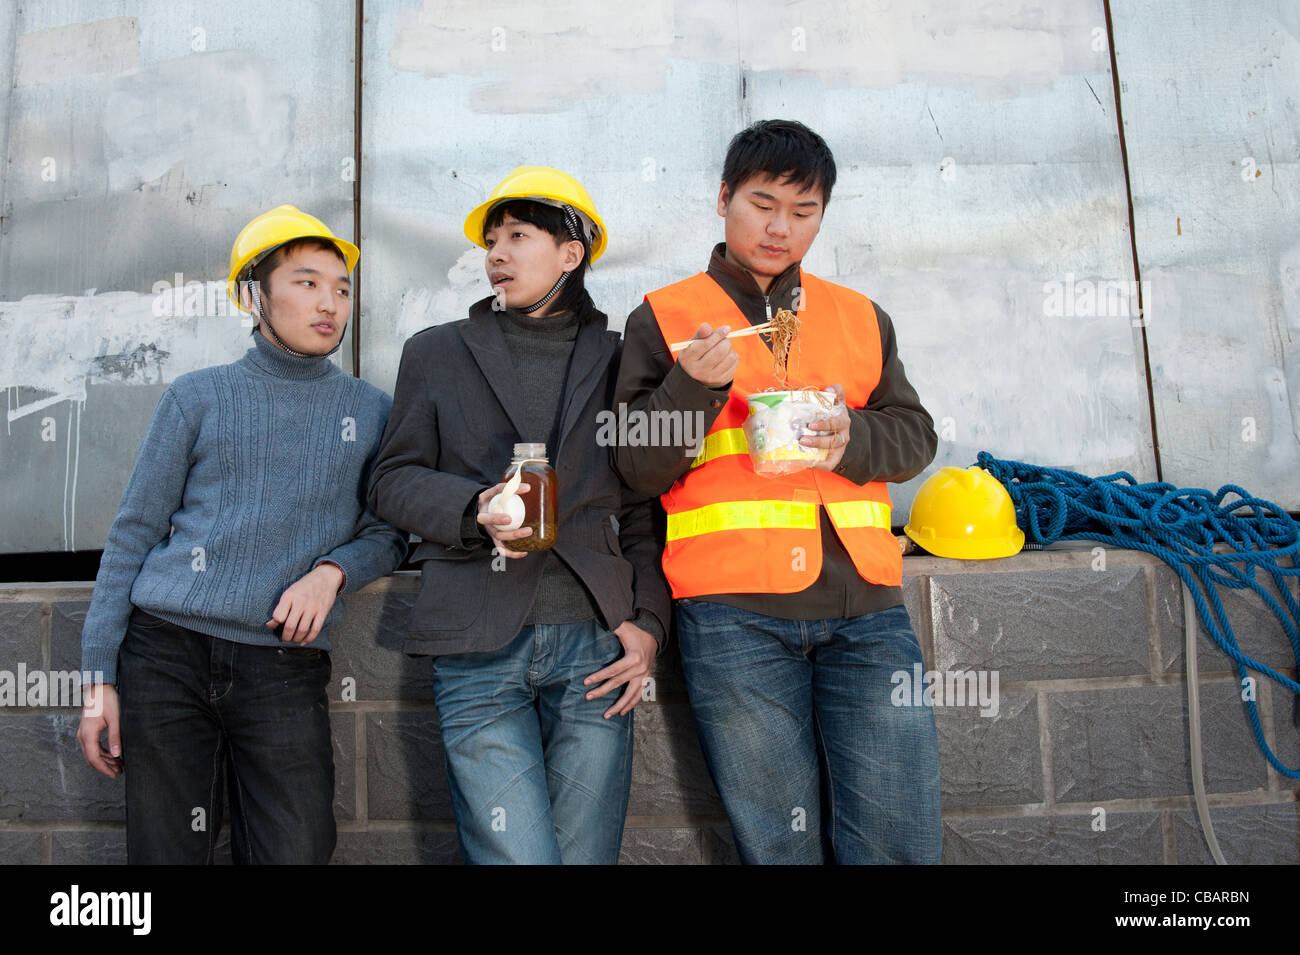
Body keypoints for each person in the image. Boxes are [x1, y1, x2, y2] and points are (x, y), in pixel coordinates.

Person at [613, 120, 942, 864]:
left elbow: (915, 435)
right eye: (763, 204)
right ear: (724, 198)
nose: (781, 227)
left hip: (867, 609)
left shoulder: (859, 315)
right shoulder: (663, 317)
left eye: (804, 211)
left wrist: (850, 437)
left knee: (898, 839)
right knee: (779, 845)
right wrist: (689, 388)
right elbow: (636, 466)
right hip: (734, 619)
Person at [76, 206, 409, 864]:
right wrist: (96, 681)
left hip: (280, 662)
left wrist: (332, 571)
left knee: (297, 849)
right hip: (165, 652)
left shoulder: (369, 411)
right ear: (254, 295)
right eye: (307, 283)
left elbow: (390, 531)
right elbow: (133, 535)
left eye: (342, 288)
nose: (330, 304)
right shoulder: (197, 397)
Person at [366, 166, 670, 865]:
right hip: (476, 643)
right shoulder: (435, 353)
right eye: (492, 240)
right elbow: (392, 479)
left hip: (596, 644)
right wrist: (472, 508)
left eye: (518, 236)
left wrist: (648, 626)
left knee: (585, 856)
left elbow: (642, 512)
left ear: (572, 252)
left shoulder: (621, 361)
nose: (495, 254)